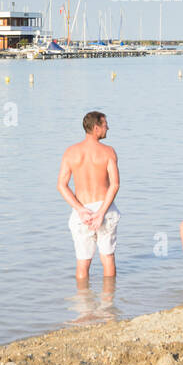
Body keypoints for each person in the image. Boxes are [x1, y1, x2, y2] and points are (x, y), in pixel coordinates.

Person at [57, 111, 121, 282]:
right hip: (105, 209)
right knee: (107, 258)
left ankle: (84, 306)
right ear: (95, 127)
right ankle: (108, 304)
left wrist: (80, 210)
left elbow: (61, 185)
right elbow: (114, 185)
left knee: (82, 262)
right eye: (105, 124)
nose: (108, 127)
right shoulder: (108, 152)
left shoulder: (70, 152)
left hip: (82, 211)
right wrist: (100, 213)